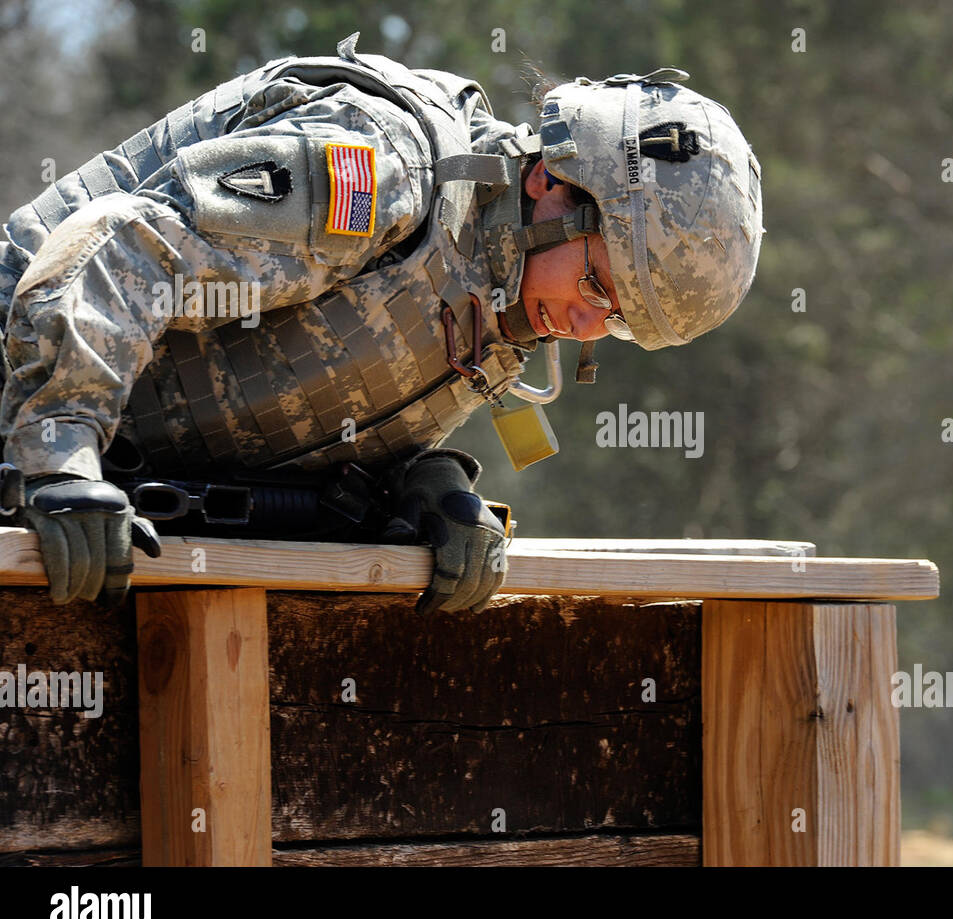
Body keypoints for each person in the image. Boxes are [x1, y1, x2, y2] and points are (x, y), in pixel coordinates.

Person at [0, 33, 764, 613]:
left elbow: (298, 397)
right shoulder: (387, 175)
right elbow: (122, 246)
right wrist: (62, 456)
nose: (588, 326)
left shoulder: (497, 300)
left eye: (621, 320)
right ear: (551, 184)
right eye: (598, 282)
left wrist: (409, 486)